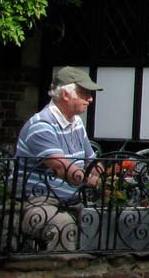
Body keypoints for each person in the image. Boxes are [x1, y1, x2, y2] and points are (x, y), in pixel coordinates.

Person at [15, 66, 104, 249]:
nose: (90, 99)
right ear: (65, 94)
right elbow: (64, 169)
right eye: (84, 93)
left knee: (109, 218)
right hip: (37, 202)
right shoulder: (41, 125)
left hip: (74, 199)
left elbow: (92, 162)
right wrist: (95, 181)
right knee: (63, 226)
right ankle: (59, 275)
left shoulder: (77, 123)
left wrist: (110, 175)